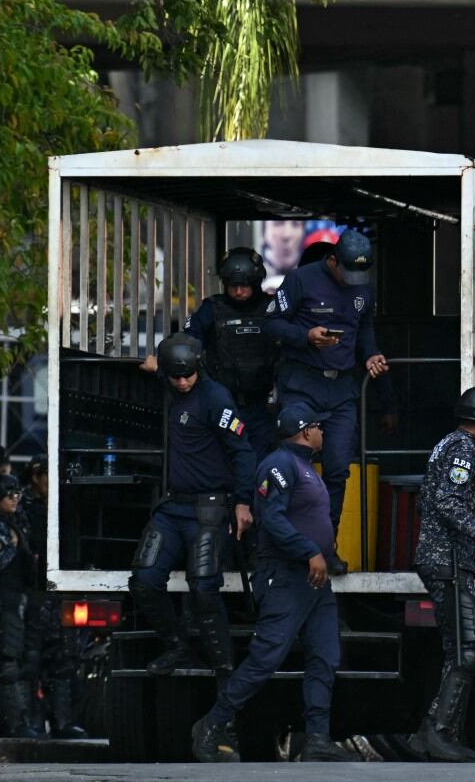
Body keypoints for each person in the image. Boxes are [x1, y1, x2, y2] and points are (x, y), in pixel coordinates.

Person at [191, 403, 353, 763]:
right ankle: (213, 724)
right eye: (319, 427)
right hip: (285, 577)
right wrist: (310, 551)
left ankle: (318, 739)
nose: (323, 433)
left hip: (314, 581)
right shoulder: (279, 465)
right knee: (265, 658)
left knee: (325, 656)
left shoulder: (305, 468)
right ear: (306, 431)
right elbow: (273, 519)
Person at [128, 334, 256, 679]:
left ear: (199, 368)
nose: (182, 382)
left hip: (209, 508)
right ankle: (176, 645)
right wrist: (156, 368)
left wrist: (243, 501)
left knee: (203, 586)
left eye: (188, 375)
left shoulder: (216, 398)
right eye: (175, 376)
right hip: (173, 507)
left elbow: (243, 452)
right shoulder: (171, 382)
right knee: (144, 579)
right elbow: (162, 370)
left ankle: (224, 667)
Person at [267, 230, 389, 576]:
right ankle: (289, 546)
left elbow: (365, 332)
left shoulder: (363, 289)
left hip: (341, 391)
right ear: (332, 260)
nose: (353, 279)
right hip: (302, 384)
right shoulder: (301, 280)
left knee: (337, 470)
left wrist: (371, 355)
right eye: (347, 271)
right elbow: (271, 324)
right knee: (293, 467)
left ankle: (325, 546)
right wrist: (305, 336)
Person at [410, 386, 475, 763]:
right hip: (448, 562)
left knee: (468, 648)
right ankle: (438, 732)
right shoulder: (463, 449)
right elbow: (446, 500)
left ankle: (439, 732)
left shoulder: (448, 445)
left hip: (446, 560)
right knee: (469, 649)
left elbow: (426, 500)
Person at [179, 247, 279, 458]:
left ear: (256, 282)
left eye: (244, 285)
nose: (239, 291)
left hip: (262, 404)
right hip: (223, 403)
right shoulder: (212, 309)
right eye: (233, 286)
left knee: (260, 461)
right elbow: (188, 343)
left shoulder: (272, 308)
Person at [21, 455, 88, 739]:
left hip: (60, 589)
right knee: (30, 659)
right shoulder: (23, 506)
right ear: (36, 477)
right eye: (47, 475)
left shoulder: (64, 505)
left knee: (64, 659)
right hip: (32, 591)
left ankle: (62, 721)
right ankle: (33, 721)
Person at [0, 473, 39, 738]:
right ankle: (15, 724)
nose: (15, 498)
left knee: (16, 660)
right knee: (7, 663)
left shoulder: (17, 523)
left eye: (17, 493)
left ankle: (18, 722)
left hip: (15, 601)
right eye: (9, 494)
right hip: (1, 602)